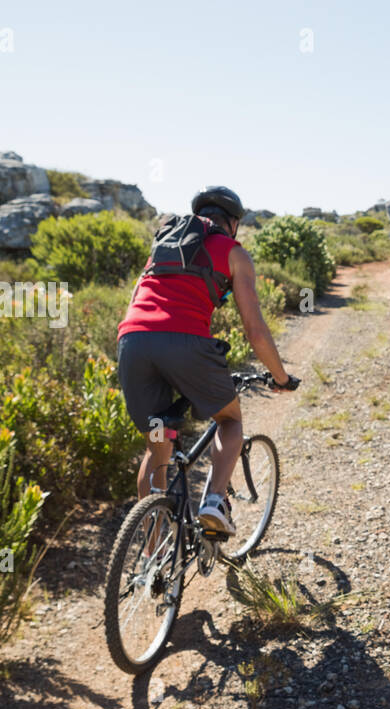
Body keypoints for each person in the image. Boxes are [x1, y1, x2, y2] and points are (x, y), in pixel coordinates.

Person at [116, 186, 298, 536]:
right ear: (232, 223)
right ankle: (214, 501)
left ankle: (153, 556)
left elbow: (137, 299)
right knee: (229, 420)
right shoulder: (233, 252)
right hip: (185, 343)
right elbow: (255, 330)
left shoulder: (163, 248)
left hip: (133, 342)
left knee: (158, 447)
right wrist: (281, 377)